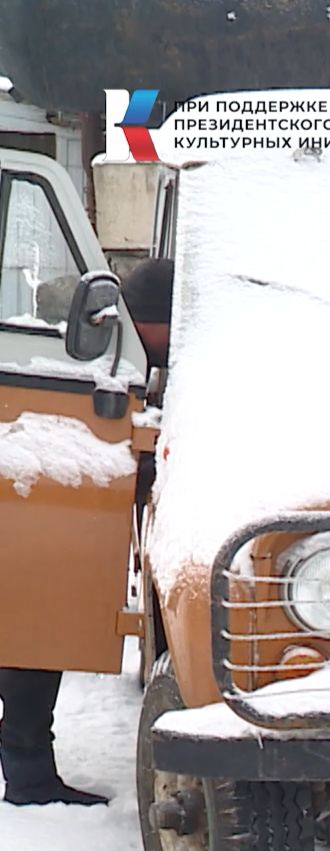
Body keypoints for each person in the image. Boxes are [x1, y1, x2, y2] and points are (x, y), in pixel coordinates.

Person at [1, 257, 171, 807]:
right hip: (43, 492)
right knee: (38, 619)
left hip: (44, 493)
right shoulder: (89, 351)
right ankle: (27, 777)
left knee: (34, 619)